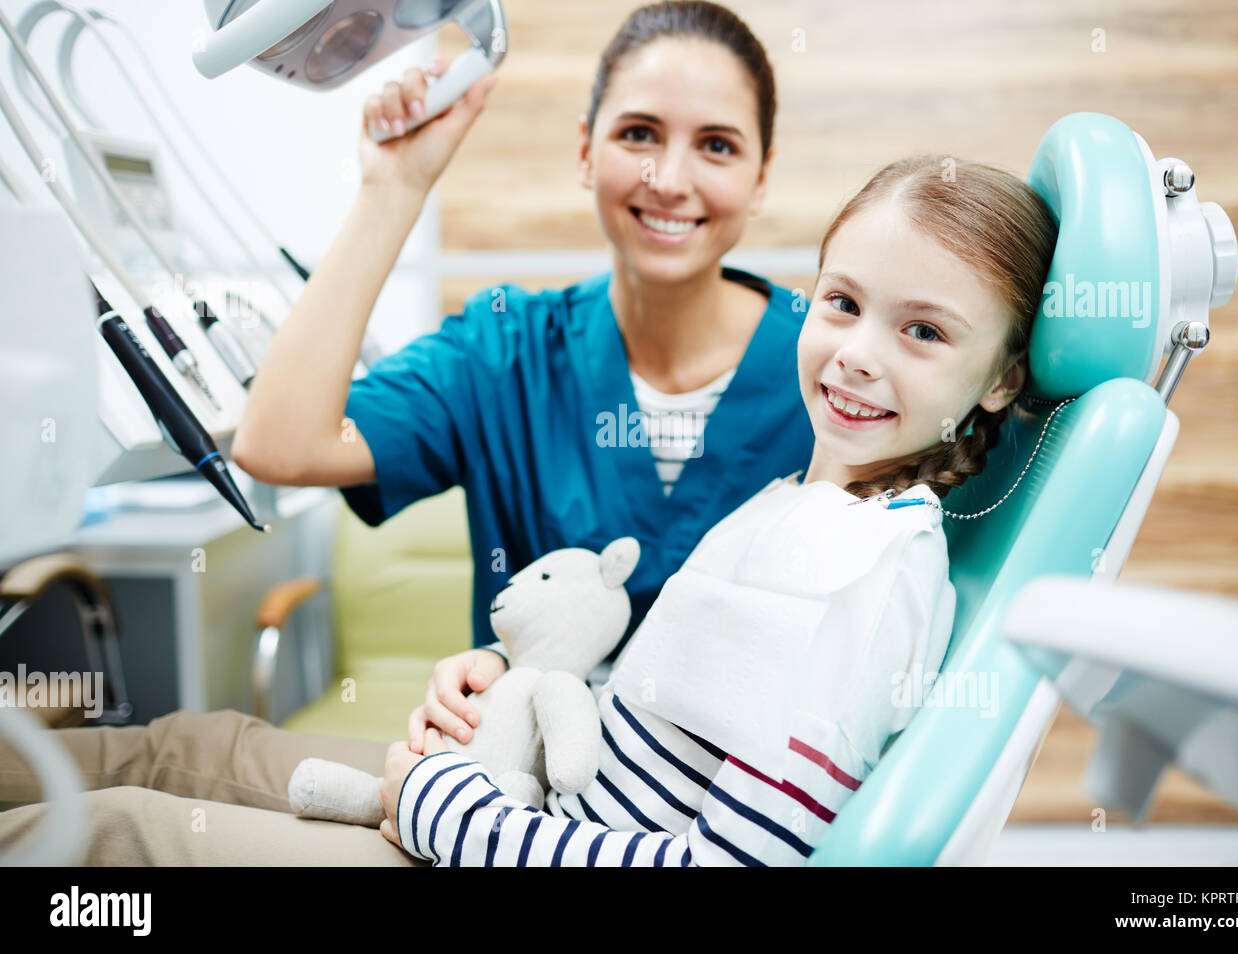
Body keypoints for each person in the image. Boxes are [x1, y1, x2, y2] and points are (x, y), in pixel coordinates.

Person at [0, 152, 1059, 865]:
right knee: (199, 744)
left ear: (1002, 379)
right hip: (525, 800)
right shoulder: (802, 504)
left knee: (127, 829)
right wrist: (525, 678)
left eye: (924, 333)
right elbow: (660, 730)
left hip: (495, 834)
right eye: (842, 302)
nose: (859, 353)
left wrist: (449, 810)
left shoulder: (861, 578)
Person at [232, 1, 814, 755]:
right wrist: (393, 188)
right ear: (585, 151)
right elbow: (279, 444)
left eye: (717, 145)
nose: (669, 179)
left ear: (761, 176)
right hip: (519, 809)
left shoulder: (826, 370)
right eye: (638, 134)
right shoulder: (504, 348)